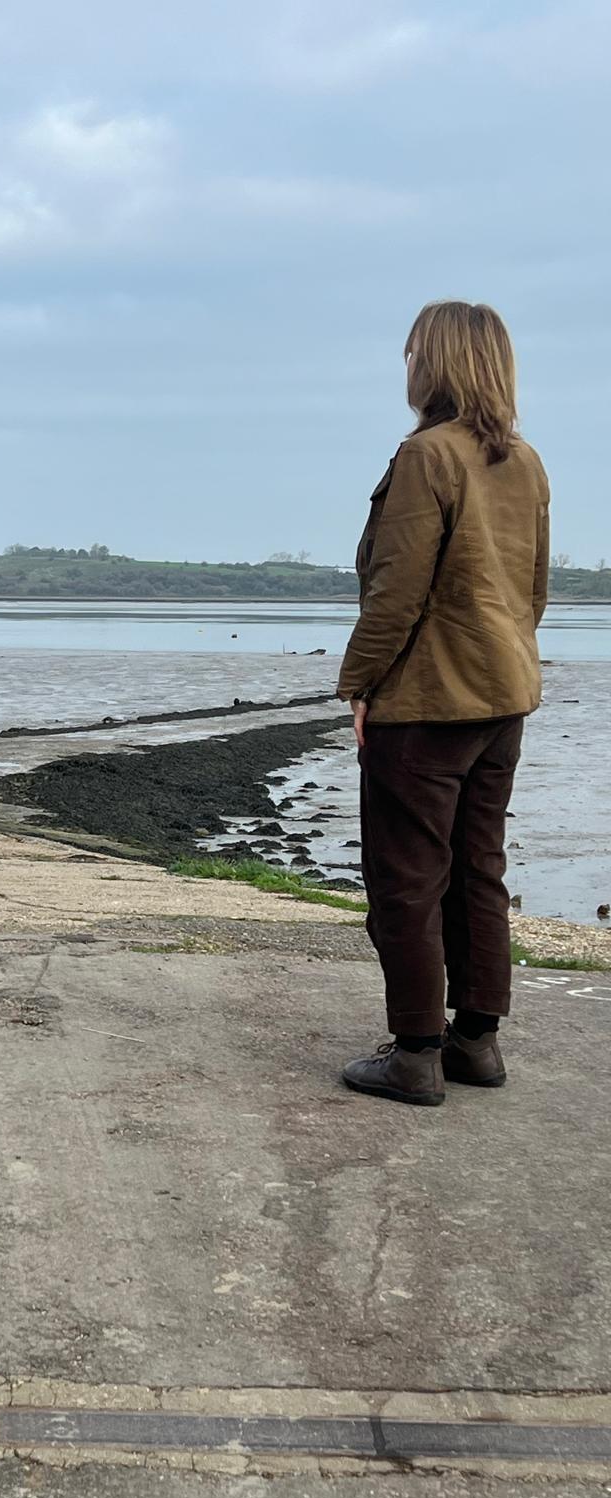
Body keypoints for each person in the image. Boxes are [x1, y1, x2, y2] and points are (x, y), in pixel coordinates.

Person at [338, 300, 549, 1107]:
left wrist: (359, 684)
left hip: (427, 702)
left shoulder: (426, 455)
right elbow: (533, 595)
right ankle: (477, 1042)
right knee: (478, 870)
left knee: (406, 878)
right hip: (503, 696)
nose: (407, 367)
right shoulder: (524, 461)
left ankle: (416, 1054)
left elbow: (395, 594)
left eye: (413, 353)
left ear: (437, 364)